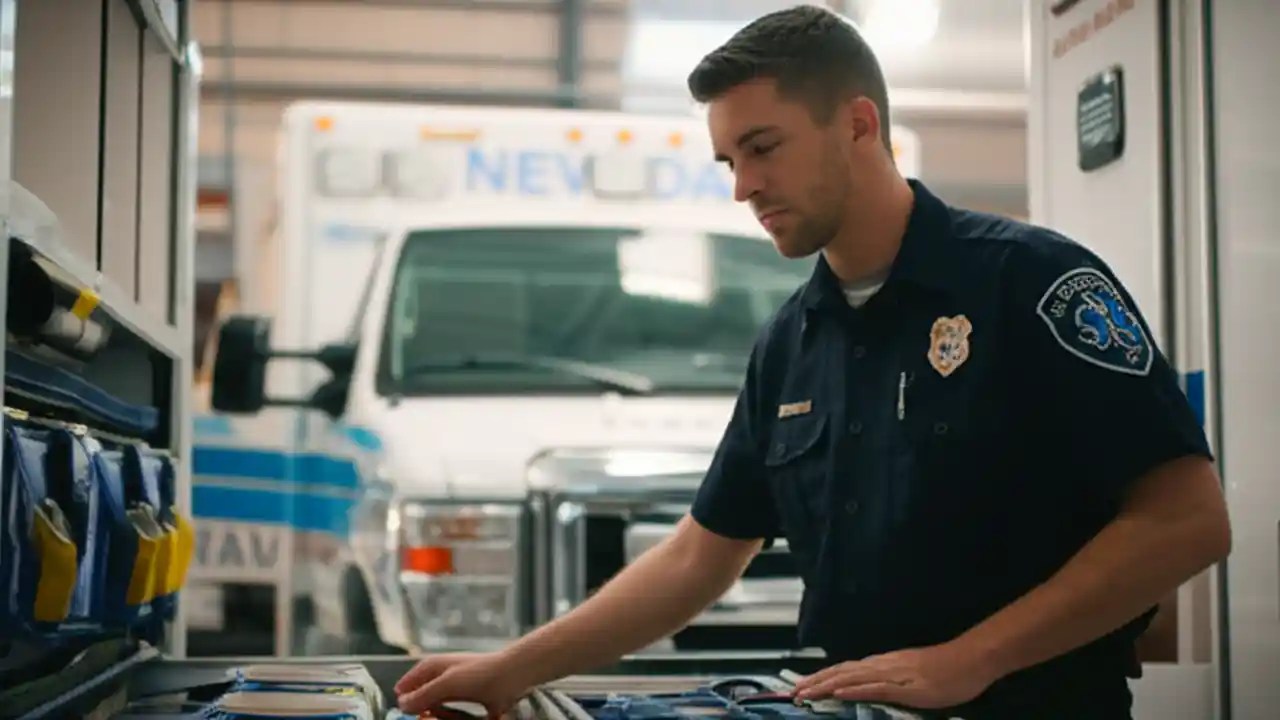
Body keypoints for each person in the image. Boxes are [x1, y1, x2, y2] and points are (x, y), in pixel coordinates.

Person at [393, 5, 1231, 718]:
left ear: (859, 124)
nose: (743, 186)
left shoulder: (1031, 282)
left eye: (764, 147)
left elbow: (1187, 521)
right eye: (729, 160)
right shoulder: (790, 342)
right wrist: (510, 670)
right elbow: (699, 556)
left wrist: (969, 660)